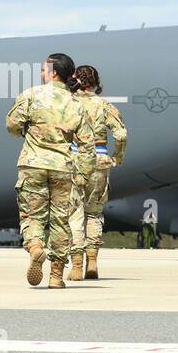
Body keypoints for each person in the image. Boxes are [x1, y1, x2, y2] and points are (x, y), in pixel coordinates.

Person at [5, 53, 93, 288]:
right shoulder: (76, 104)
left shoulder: (32, 95)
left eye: (44, 70)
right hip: (62, 167)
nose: (42, 74)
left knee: (32, 215)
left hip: (32, 164)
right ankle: (56, 276)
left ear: (53, 72)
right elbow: (87, 144)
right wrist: (83, 176)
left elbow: (12, 126)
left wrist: (24, 129)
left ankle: (35, 247)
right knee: (60, 220)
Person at [66, 65, 127, 280]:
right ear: (96, 82)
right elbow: (120, 134)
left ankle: (76, 264)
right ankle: (92, 260)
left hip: (74, 159)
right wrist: (117, 157)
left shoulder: (69, 103)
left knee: (74, 212)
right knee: (94, 213)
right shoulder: (104, 106)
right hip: (100, 160)